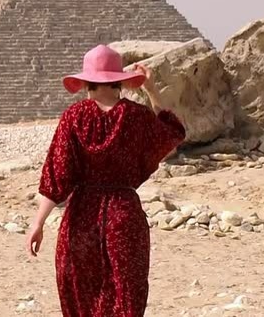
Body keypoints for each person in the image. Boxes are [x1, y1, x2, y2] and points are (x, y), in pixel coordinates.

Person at [26, 44, 187, 317]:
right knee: (125, 291)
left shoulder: (73, 118)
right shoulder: (136, 117)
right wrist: (151, 90)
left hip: (80, 219)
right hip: (123, 216)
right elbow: (172, 134)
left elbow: (56, 176)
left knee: (82, 294)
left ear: (86, 81)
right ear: (119, 82)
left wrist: (38, 223)